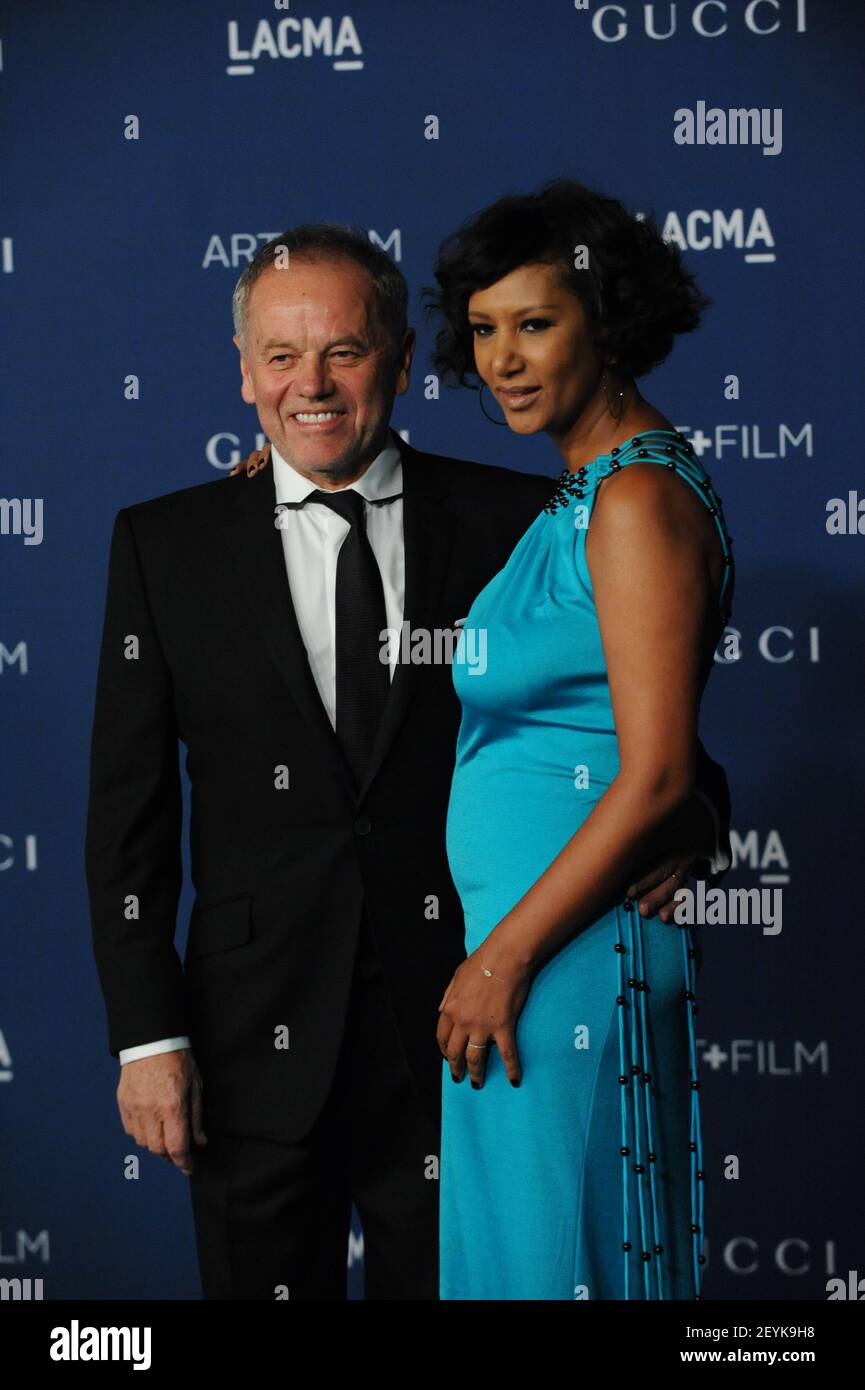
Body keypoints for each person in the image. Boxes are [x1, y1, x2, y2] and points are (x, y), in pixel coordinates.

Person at [85, 222, 730, 1301]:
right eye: (282, 357)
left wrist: (699, 815)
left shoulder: (517, 519)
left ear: (396, 357)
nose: (313, 386)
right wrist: (146, 1038)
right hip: (253, 1041)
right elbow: (126, 815)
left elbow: (639, 731)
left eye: (342, 350)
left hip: (469, 1031)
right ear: (243, 372)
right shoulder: (166, 544)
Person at [426, 179, 735, 1300]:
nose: (503, 358)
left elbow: (654, 766)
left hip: (555, 965)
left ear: (606, 324)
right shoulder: (581, 494)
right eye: (482, 329)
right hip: (529, 959)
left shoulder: (636, 501)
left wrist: (499, 961)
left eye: (536, 323)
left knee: (556, 1273)